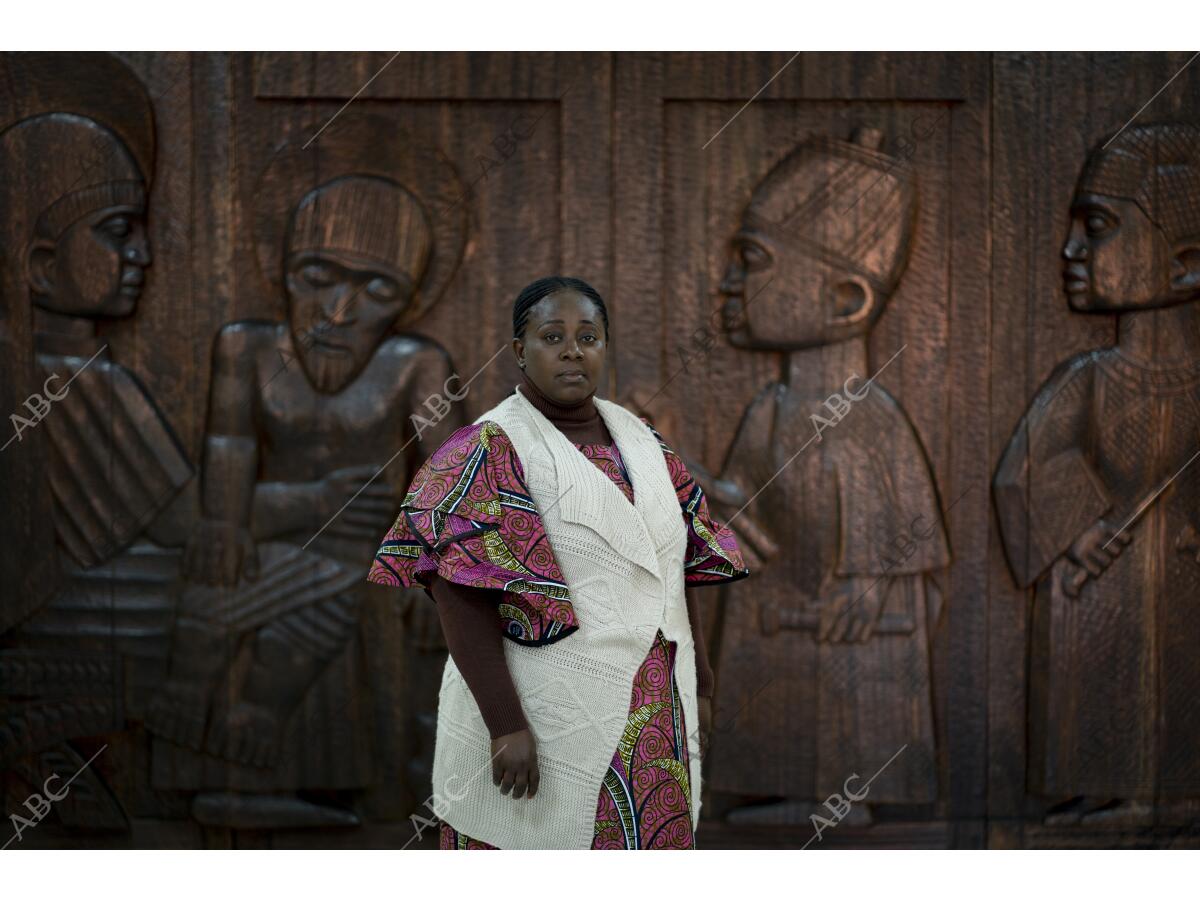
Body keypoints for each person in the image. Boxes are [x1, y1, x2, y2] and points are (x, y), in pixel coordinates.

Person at [367, 275, 750, 849]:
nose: (573, 350)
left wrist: (701, 684)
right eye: (552, 336)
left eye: (588, 336)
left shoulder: (644, 442)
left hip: (652, 717)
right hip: (543, 717)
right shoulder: (486, 449)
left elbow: (676, 567)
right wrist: (505, 725)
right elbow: (459, 594)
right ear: (520, 351)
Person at [994, 122, 1200, 824]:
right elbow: (1026, 468)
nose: (1071, 249)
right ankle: (1103, 790)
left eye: (1100, 226)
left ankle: (1168, 798)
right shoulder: (1087, 377)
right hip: (1100, 581)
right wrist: (1077, 533)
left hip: (1181, 577)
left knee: (1177, 679)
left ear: (1187, 260)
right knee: (1096, 682)